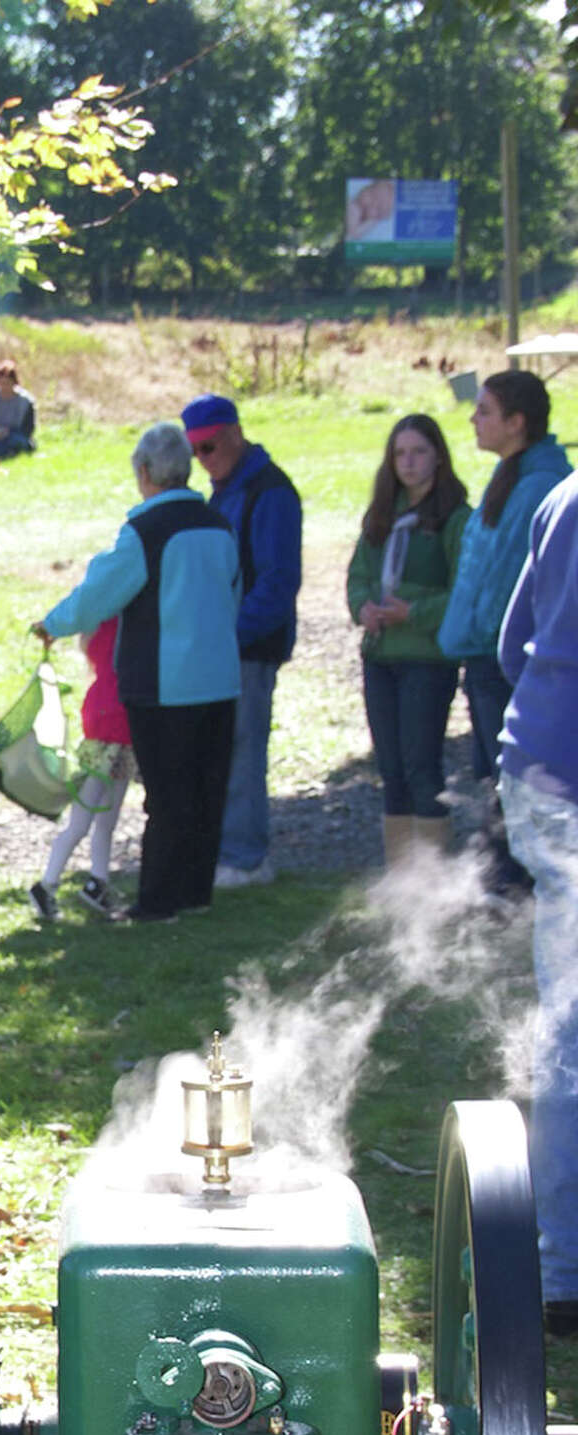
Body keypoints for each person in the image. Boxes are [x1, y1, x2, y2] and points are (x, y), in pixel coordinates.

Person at [35, 422, 240, 921]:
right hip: (218, 678)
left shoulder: (144, 532)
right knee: (204, 791)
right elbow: (234, 589)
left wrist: (53, 624)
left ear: (144, 473)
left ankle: (158, 901)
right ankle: (195, 893)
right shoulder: (218, 525)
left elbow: (97, 595)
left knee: (167, 798)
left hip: (165, 683)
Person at [438, 370, 571, 894]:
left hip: (503, 660)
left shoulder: (540, 487)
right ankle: (501, 882)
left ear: (517, 423)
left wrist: (486, 641)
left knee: (511, 782)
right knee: (499, 779)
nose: (474, 417)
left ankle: (510, 886)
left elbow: (508, 587)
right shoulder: (512, 477)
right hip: (486, 654)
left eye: (486, 410)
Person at [498, 470, 578, 1336]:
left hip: (543, 764)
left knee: (569, 1019)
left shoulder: (562, 494)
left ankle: (561, 1265)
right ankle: (562, 1265)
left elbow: (508, 642)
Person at [180, 393, 301, 889]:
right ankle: (225, 852)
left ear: (234, 434)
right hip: (221, 647)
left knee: (244, 751)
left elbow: (277, 582)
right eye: (195, 452)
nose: (203, 461)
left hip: (248, 648)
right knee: (220, 750)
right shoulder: (225, 487)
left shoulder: (269, 491)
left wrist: (228, 637)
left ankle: (247, 859)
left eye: (209, 448)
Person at [346, 415, 469, 865]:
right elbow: (358, 574)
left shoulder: (456, 518)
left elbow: (463, 594)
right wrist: (364, 607)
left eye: (418, 452)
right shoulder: (382, 515)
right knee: (391, 769)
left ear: (438, 454)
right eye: (400, 453)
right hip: (380, 658)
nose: (409, 463)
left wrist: (412, 610)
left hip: (426, 660)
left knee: (422, 766)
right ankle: (401, 877)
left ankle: (434, 876)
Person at [28, 616, 135, 921]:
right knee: (84, 818)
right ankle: (46, 884)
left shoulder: (101, 624)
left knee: (103, 816)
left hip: (113, 724)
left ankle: (97, 882)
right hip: (113, 725)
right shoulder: (119, 622)